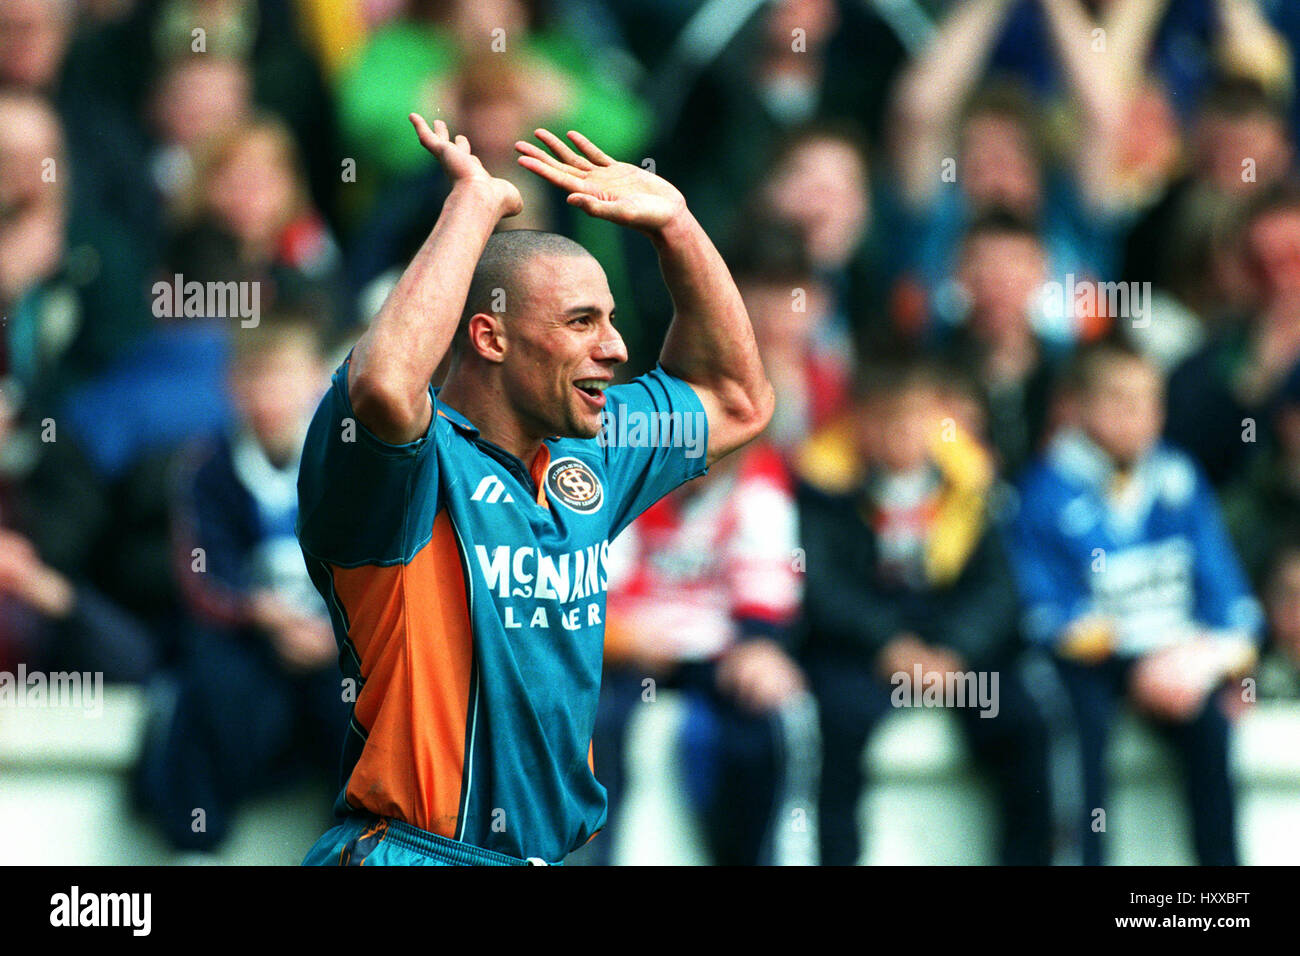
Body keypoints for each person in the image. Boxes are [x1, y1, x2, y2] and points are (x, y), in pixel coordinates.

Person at [297, 115, 773, 865]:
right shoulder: (400, 474)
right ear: (489, 337)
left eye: (611, 321)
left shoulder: (593, 457)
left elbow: (737, 399)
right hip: (415, 853)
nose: (615, 349)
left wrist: (677, 226)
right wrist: (472, 207)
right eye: (583, 322)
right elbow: (386, 386)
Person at [1008, 340, 1264, 865]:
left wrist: (1208, 659)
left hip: (1176, 661)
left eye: (1149, 402)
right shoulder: (1041, 493)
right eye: (1118, 401)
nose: (1137, 417)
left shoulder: (1179, 480)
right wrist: (1138, 654)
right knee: (1078, 734)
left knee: (1214, 735)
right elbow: (1043, 613)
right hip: (1090, 665)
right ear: (1075, 407)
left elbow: (1228, 596)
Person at [796, 354, 1053, 865]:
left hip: (953, 652)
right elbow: (821, 589)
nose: (902, 432)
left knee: (1024, 721)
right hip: (865, 655)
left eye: (915, 416)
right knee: (835, 728)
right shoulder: (827, 489)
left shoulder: (971, 487)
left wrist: (955, 651)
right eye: (887, 417)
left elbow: (999, 590)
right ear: (859, 421)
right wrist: (889, 644)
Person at [137, 313, 346, 854]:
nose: (268, 395)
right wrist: (262, 613)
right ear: (231, 386)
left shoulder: (347, 460)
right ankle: (195, 845)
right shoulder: (207, 465)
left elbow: (379, 565)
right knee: (211, 688)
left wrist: (336, 631)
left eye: (281, 376)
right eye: (254, 378)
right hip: (251, 635)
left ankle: (358, 848)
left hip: (338, 640)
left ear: (315, 379)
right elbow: (202, 576)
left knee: (368, 705)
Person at [591, 437, 806, 866]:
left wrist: (760, 644)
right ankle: (597, 856)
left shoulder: (760, 481)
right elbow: (601, 583)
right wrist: (624, 636)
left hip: (722, 654)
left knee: (763, 726)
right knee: (594, 721)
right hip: (633, 651)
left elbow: (767, 581)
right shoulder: (625, 472)